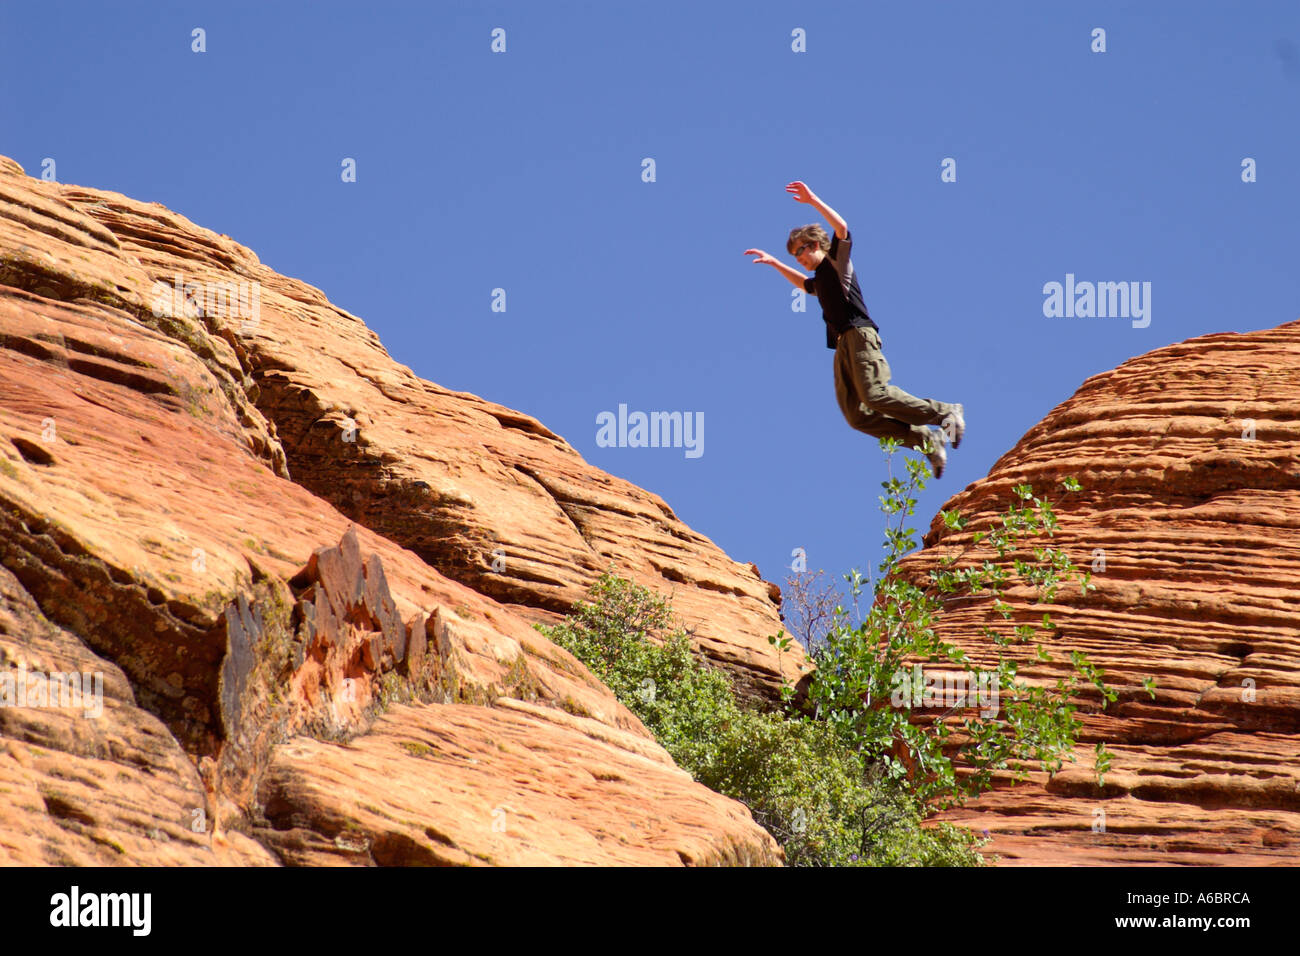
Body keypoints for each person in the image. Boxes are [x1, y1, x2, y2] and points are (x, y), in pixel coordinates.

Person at [744, 181, 964, 477]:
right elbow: (805, 286)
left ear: (815, 245)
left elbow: (842, 227)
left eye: (800, 252)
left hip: (859, 335)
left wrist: (813, 201)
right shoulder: (819, 279)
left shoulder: (837, 261)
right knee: (857, 416)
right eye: (794, 256)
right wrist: (775, 264)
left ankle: (946, 412)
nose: (798, 258)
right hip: (842, 346)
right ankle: (926, 439)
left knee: (875, 394)